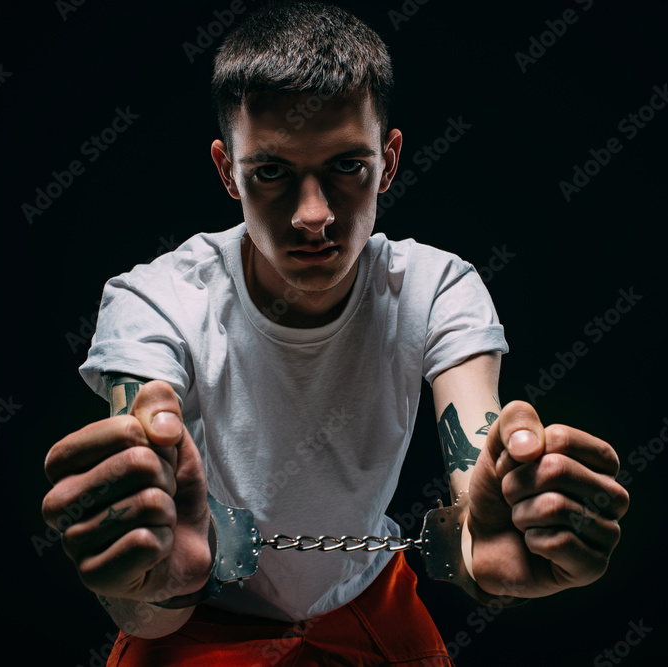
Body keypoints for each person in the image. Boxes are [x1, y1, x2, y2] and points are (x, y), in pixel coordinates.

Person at [41, 2, 630, 664]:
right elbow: (147, 569)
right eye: (272, 172)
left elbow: (477, 482)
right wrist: (150, 587)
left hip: (370, 603)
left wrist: (488, 544)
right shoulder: (153, 302)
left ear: (391, 158)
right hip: (200, 623)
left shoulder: (436, 289)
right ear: (226, 171)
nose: (313, 215)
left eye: (347, 166)